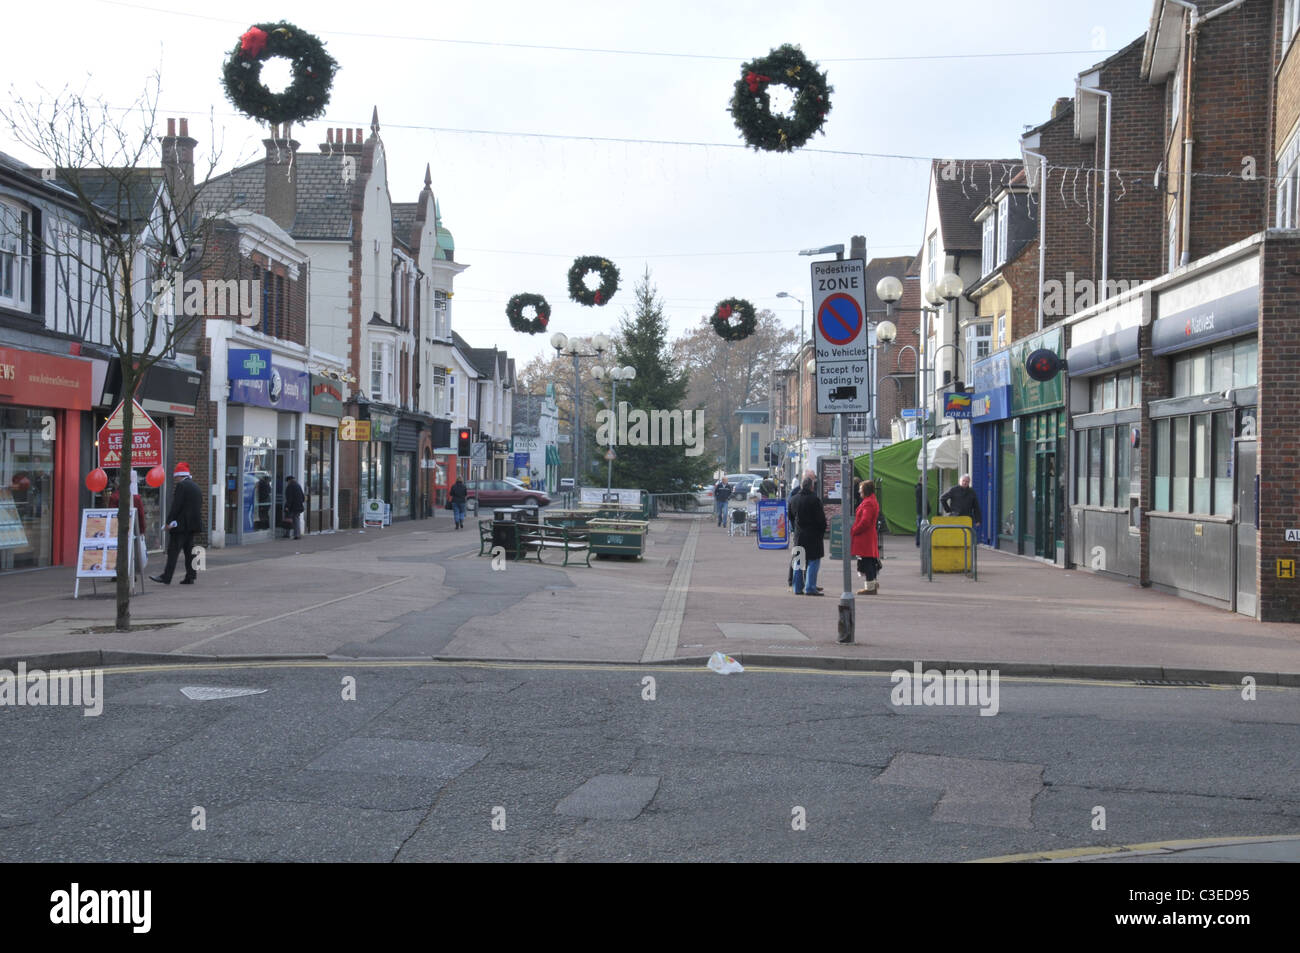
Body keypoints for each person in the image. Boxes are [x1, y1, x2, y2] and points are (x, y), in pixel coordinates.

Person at [151, 462, 203, 586]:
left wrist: (169, 522)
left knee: (173, 552)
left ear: (180, 475)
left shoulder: (182, 486)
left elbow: (176, 506)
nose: (175, 479)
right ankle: (191, 576)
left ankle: (166, 576)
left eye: (176, 476)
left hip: (180, 526)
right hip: (192, 526)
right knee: (189, 552)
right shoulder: (196, 486)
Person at [789, 476, 825, 596]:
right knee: (813, 561)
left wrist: (796, 529)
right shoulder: (814, 500)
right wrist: (821, 531)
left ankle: (797, 588)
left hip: (799, 535)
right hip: (813, 536)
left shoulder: (793, 499)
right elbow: (821, 520)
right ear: (811, 486)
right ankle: (810, 587)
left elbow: (791, 517)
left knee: (798, 562)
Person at [851, 479, 882, 598]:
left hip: (865, 536)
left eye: (860, 490)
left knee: (867, 561)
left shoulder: (868, 503)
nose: (859, 493)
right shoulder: (871, 501)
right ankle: (872, 585)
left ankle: (870, 587)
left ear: (866, 491)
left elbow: (865, 521)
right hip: (868, 535)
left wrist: (854, 530)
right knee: (869, 560)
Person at [283, 475, 305, 539]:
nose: (287, 483)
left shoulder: (290, 487)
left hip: (292, 507)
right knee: (296, 520)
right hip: (299, 506)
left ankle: (289, 534)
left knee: (288, 519)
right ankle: (297, 534)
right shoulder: (298, 486)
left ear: (289, 480)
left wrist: (287, 506)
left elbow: (289, 498)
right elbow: (303, 498)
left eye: (287, 481)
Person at [915, 477, 931, 547]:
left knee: (920, 526)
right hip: (922, 511)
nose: (927, 483)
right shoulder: (920, 489)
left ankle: (919, 541)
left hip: (921, 510)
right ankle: (919, 542)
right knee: (920, 527)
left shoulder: (920, 488)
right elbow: (924, 501)